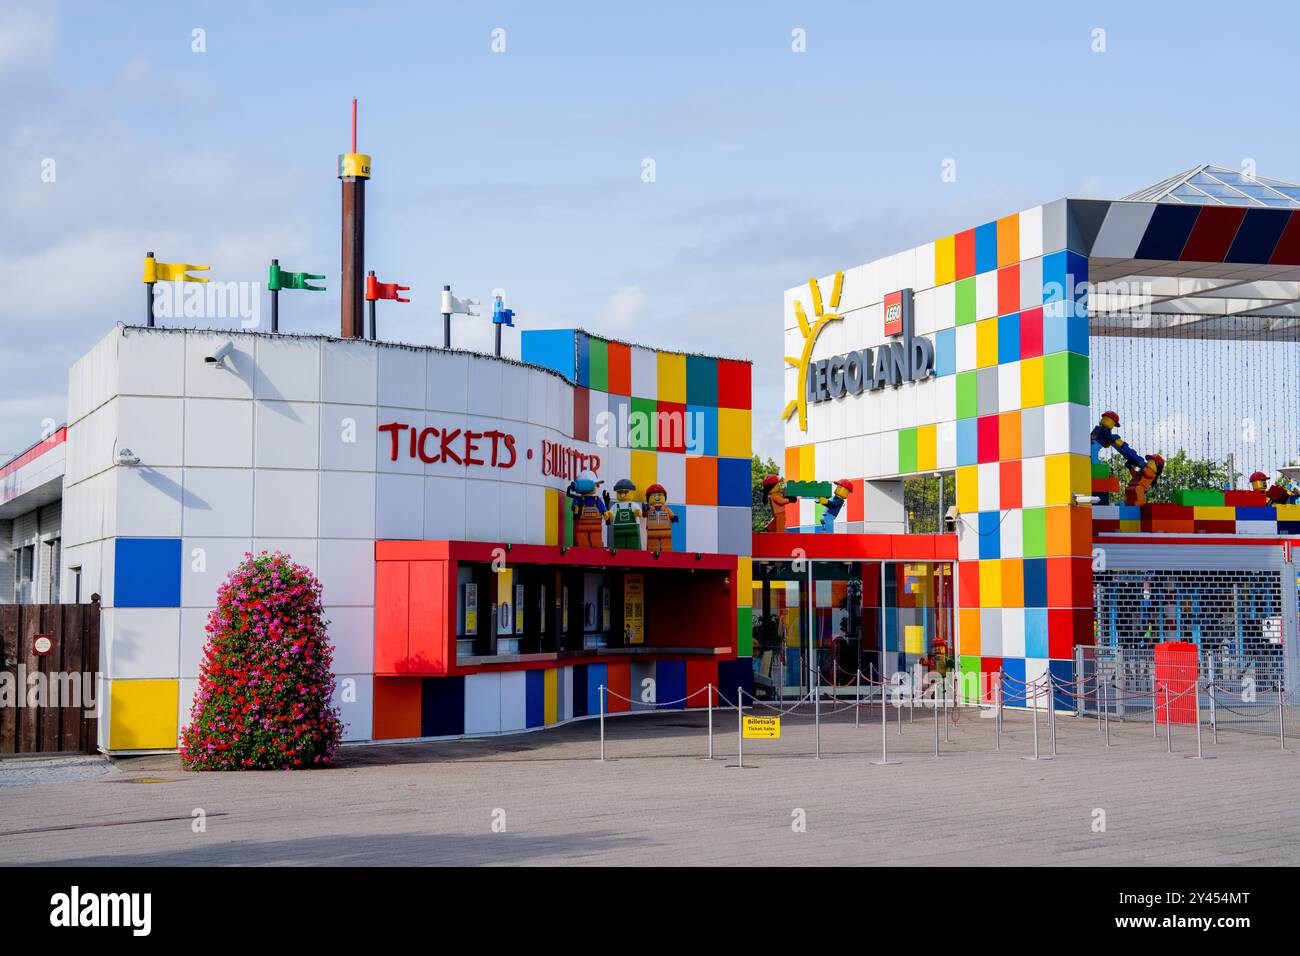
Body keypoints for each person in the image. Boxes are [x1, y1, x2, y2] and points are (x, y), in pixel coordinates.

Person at [566, 471, 607, 547]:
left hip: (596, 526)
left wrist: (606, 513)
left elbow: (603, 509)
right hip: (582, 525)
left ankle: (596, 545)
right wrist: (575, 508)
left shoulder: (597, 499)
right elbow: (574, 507)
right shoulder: (579, 499)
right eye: (595, 484)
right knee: (582, 541)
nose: (595, 487)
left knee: (596, 540)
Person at [642, 483, 678, 556]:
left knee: (667, 546)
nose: (657, 497)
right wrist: (645, 509)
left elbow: (671, 515)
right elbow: (644, 515)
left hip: (666, 531)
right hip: (652, 531)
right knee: (652, 546)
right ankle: (652, 556)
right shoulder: (649, 509)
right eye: (654, 495)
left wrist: (674, 517)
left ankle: (668, 556)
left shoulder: (666, 509)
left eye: (659, 495)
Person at [605, 478, 642, 549]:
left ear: (631, 491)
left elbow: (638, 512)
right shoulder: (615, 506)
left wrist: (637, 512)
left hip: (632, 528)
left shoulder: (633, 505)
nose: (622, 494)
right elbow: (611, 514)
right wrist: (608, 514)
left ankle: (635, 553)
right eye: (620, 492)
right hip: (618, 528)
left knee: (633, 544)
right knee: (619, 544)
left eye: (625, 492)